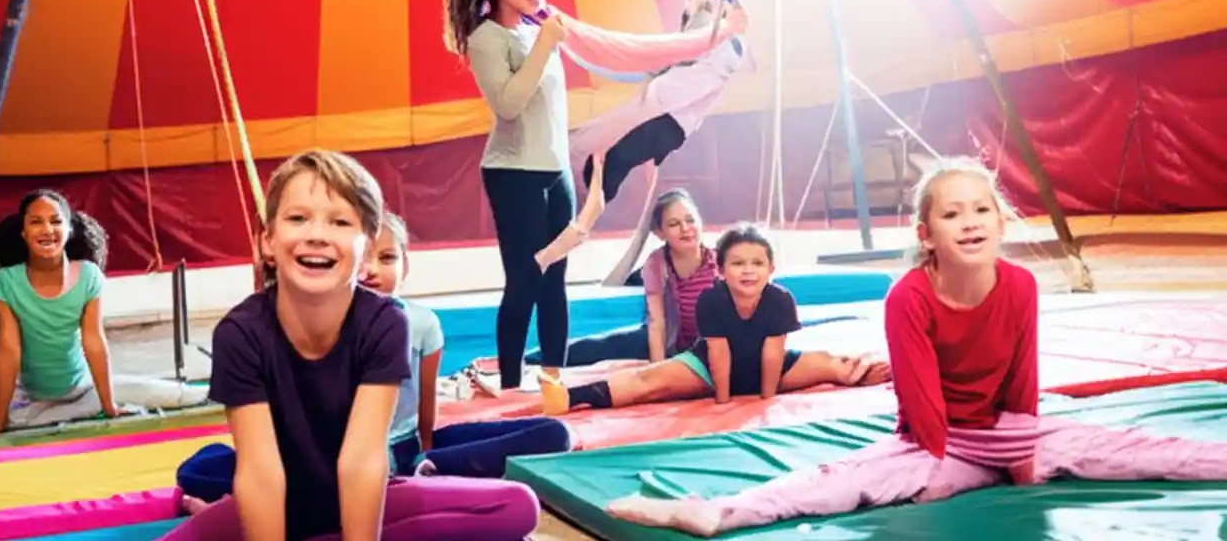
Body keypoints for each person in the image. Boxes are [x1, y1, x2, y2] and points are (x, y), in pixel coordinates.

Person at [603, 157, 1227, 538]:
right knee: (845, 482)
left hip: (1005, 430)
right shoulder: (909, 297)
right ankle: (722, 512)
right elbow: (925, 413)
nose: (972, 221)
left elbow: (1021, 384)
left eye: (982, 209)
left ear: (1000, 221)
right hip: (933, 442)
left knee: (1127, 449)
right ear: (927, 235)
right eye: (953, 215)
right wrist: (950, 471)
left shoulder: (1021, 286)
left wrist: (1019, 457)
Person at [160, 149, 538, 541]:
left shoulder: (385, 322)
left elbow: (362, 461)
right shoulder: (240, 334)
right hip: (274, 503)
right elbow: (260, 473)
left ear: (366, 249)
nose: (318, 234)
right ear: (268, 241)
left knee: (516, 505)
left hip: (367, 498)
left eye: (340, 222)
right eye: (297, 218)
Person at [443, 0, 745, 389]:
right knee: (526, 279)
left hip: (554, 171)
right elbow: (508, 105)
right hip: (513, 174)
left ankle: (553, 378)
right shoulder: (489, 38)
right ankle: (509, 384)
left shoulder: (541, 25)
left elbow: (622, 47)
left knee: (555, 282)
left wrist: (714, 36)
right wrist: (546, 43)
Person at [539, 224, 889, 416]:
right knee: (648, 381)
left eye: (757, 263)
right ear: (720, 270)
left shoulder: (781, 299)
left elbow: (772, 354)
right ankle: (570, 395)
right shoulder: (712, 300)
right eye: (738, 263)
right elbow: (719, 354)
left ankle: (901, 368)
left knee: (836, 365)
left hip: (775, 369)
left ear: (771, 268)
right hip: (708, 368)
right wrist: (723, 403)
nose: (748, 271)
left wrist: (766, 399)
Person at [0, 190, 206, 441]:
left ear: (69, 230)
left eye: (56, 221)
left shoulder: (88, 275)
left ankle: (217, 389)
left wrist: (109, 406)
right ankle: (8, 412)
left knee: (175, 395)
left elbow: (93, 341)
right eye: (36, 222)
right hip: (28, 396)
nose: (47, 230)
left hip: (84, 391)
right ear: (24, 233)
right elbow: (8, 349)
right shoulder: (4, 282)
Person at [535, 0, 754, 278]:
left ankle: (577, 221)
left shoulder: (725, 45)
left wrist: (720, 19)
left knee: (604, 160)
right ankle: (580, 221)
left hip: (667, 117)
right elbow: (679, 56)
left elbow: (709, 47)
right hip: (666, 117)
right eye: (691, 11)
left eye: (704, 7)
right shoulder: (703, 48)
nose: (696, 15)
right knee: (601, 159)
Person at [366, 212, 572, 478]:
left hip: (409, 445)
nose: (371, 269)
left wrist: (427, 449)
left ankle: (427, 466)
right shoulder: (331, 326)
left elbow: (426, 402)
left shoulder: (423, 324)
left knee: (553, 433)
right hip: (369, 457)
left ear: (404, 265)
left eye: (386, 258)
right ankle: (417, 472)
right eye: (362, 258)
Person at [525, 188, 717, 367]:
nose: (685, 228)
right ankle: (536, 358)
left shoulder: (720, 261)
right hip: (669, 340)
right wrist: (658, 369)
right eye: (674, 224)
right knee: (605, 345)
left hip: (712, 346)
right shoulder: (657, 264)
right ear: (660, 233)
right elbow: (656, 323)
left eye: (690, 220)